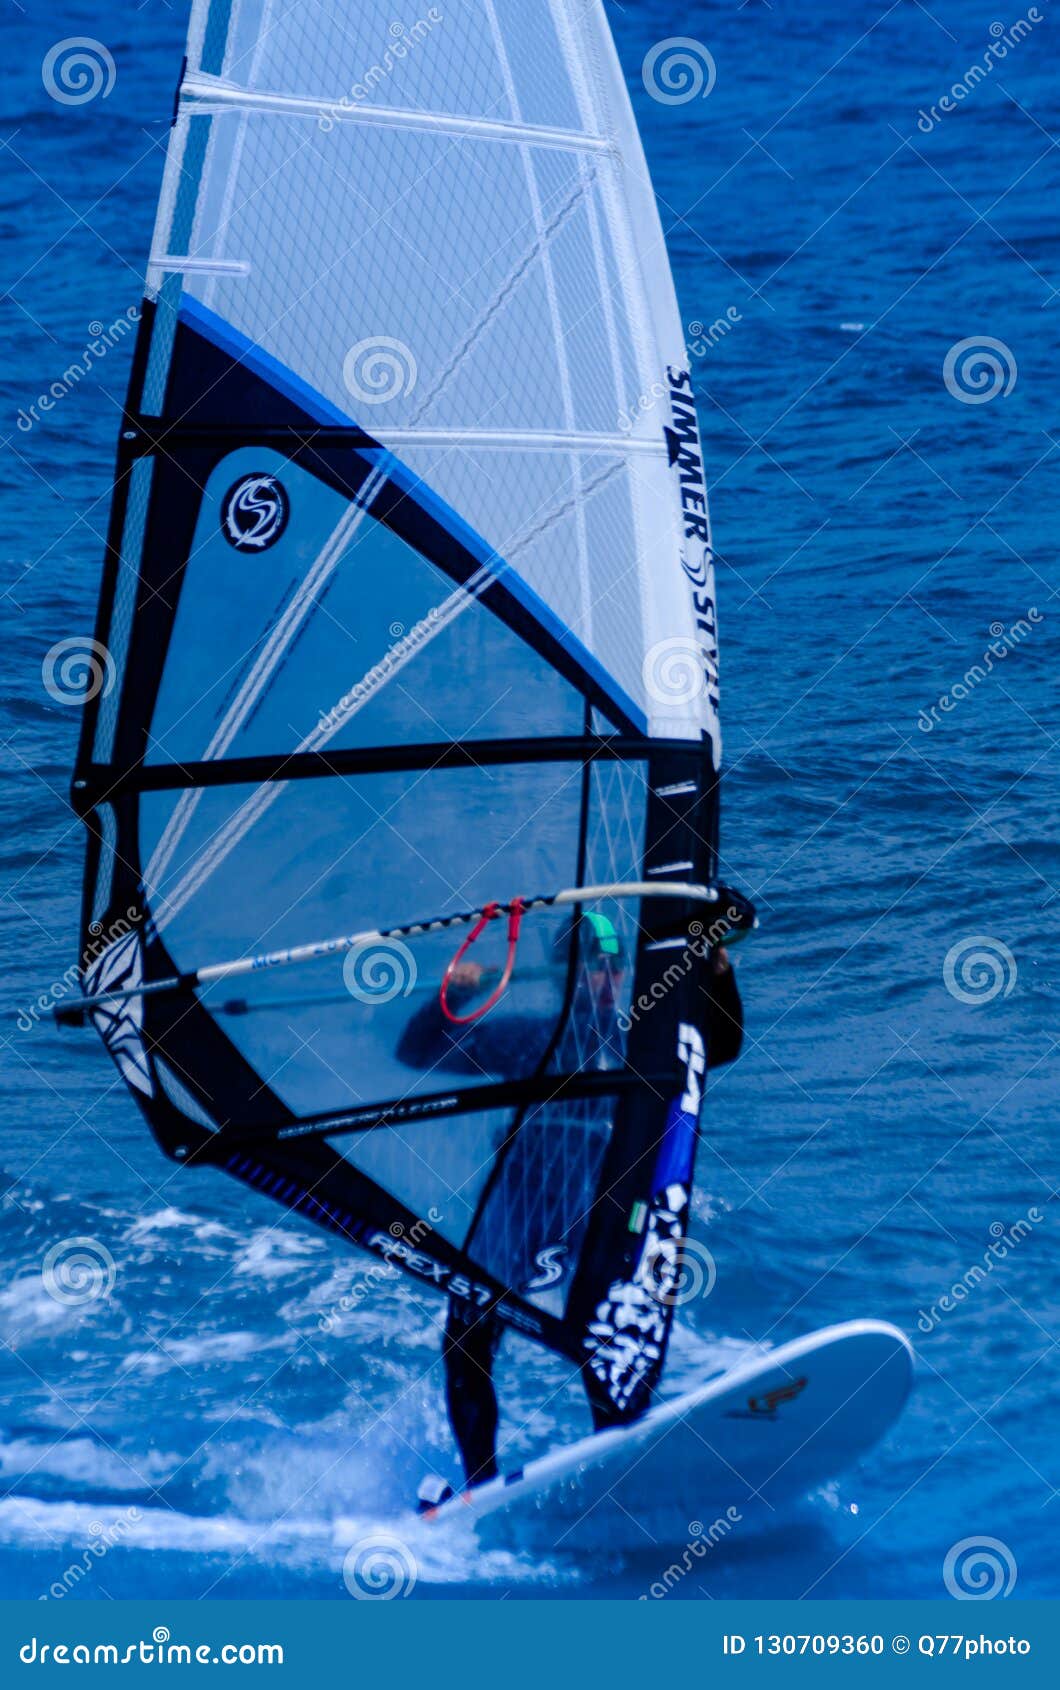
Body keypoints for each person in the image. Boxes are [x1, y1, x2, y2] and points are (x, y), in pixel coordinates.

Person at [400, 916, 744, 1503]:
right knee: (466, 1336)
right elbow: (417, 1051)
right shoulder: (533, 1038)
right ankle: (481, 1487)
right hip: (520, 1203)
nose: (607, 978)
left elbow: (722, 1044)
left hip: (599, 1208)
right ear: (564, 974)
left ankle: (616, 1455)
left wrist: (717, 976)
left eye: (615, 966)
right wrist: (452, 996)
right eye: (592, 966)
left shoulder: (644, 1037)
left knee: (610, 1329)